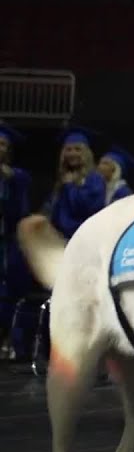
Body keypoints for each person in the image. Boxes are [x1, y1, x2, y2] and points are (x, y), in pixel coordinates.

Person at [0, 122, 34, 360]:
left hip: (5, 244)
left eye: (2, 144)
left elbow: (19, 213)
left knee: (6, 295)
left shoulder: (16, 177)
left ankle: (7, 341)